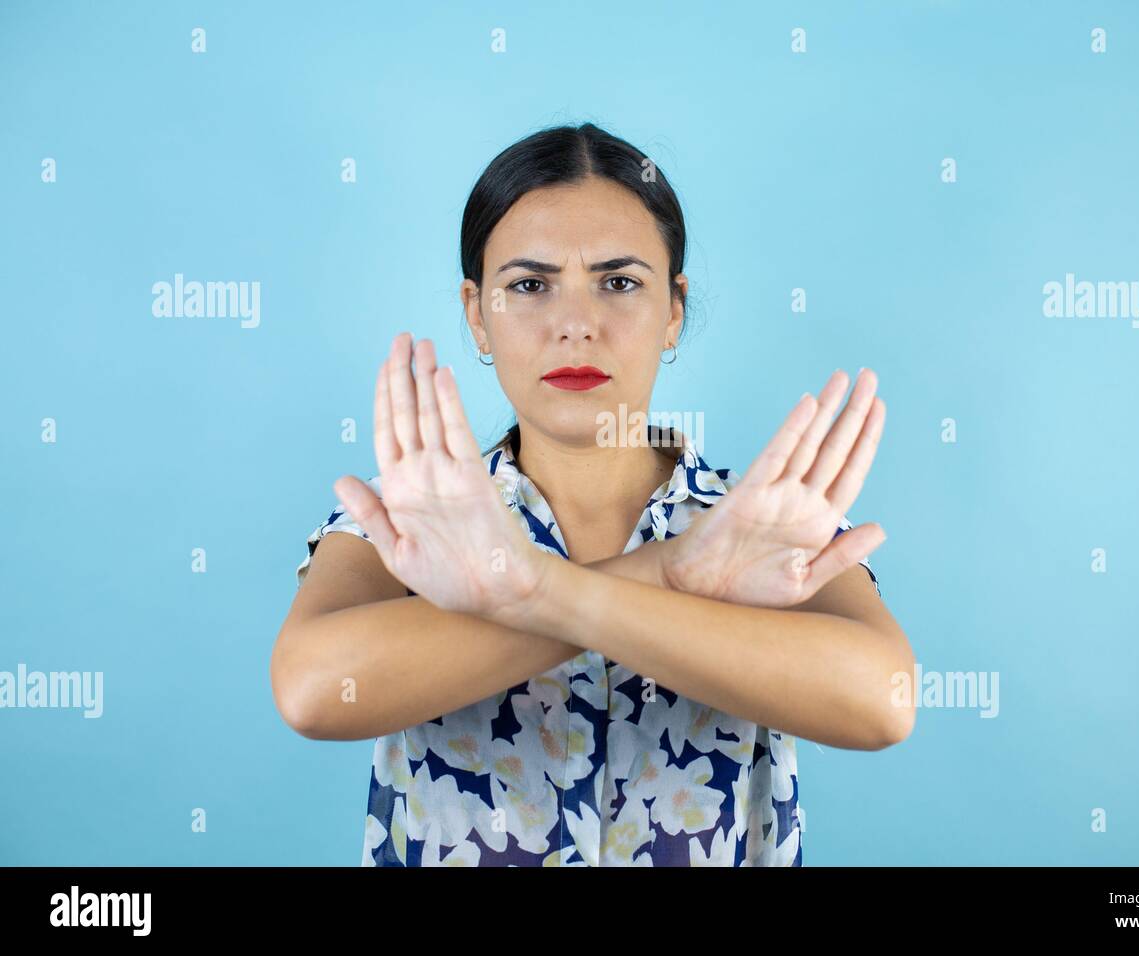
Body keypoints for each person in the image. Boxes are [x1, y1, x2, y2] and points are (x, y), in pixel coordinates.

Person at [271, 122, 914, 866]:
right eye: (529, 286)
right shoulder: (403, 520)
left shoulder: (764, 521)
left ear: (673, 309)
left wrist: (536, 591)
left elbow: (884, 700)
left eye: (619, 282)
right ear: (477, 314)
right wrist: (668, 576)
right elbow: (314, 690)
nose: (576, 325)